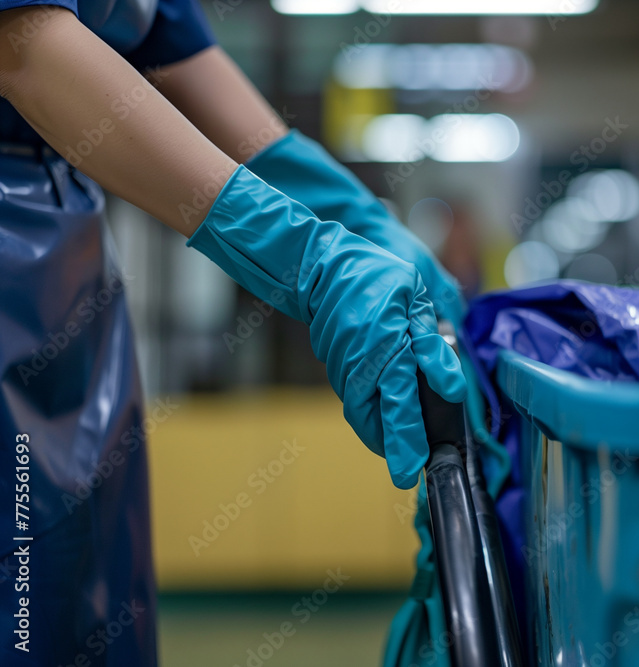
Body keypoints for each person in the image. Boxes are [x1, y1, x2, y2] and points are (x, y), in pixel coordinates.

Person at [0, 1, 467, 664]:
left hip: (67, 281)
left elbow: (182, 62)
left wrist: (358, 221)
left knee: (90, 604)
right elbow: (23, 49)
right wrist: (310, 259)